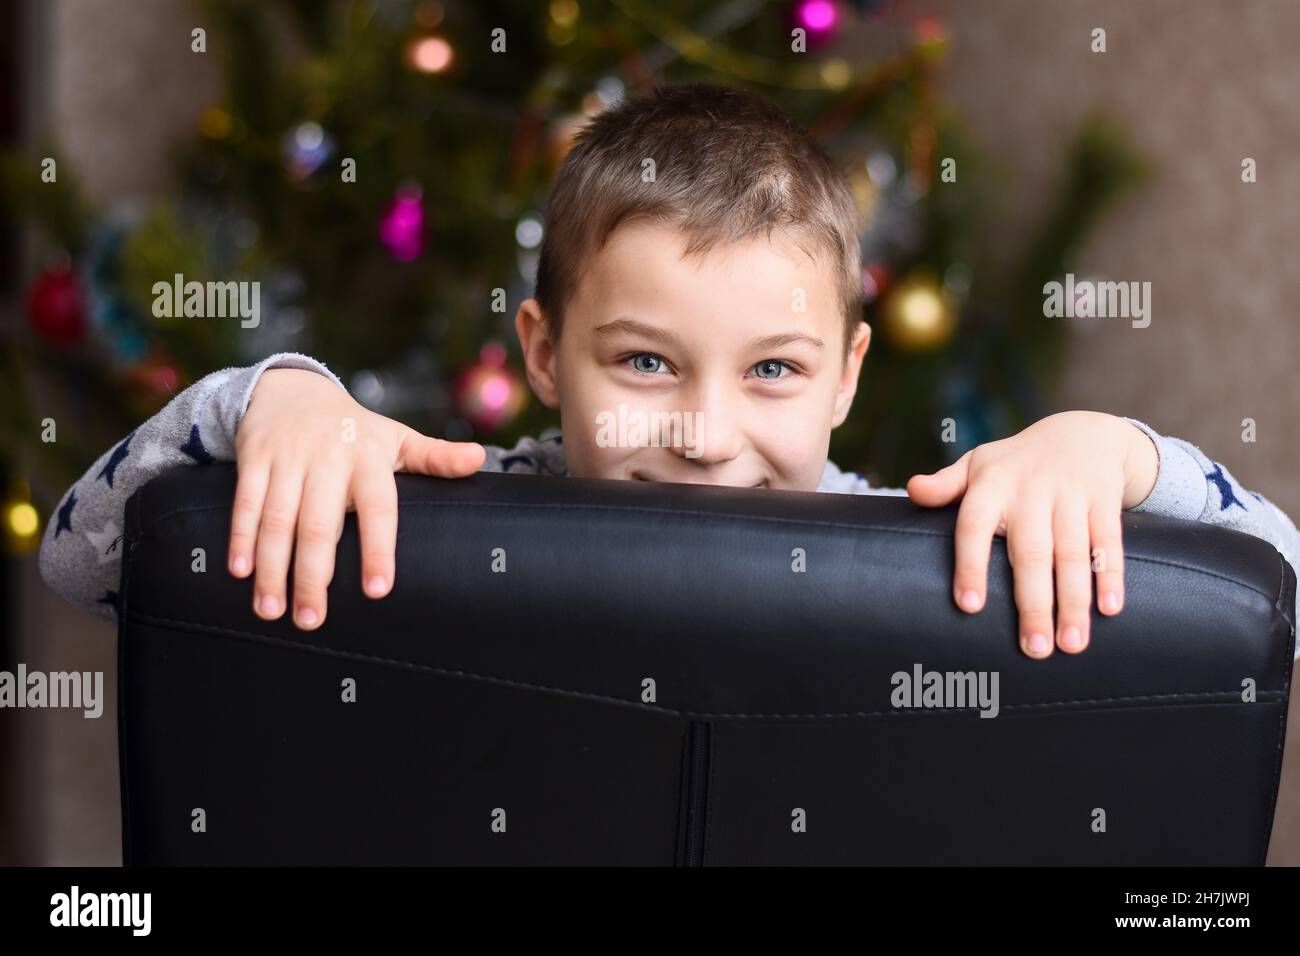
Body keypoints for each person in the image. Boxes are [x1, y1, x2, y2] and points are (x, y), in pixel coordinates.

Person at [38, 83, 1300, 661]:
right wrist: (271, 401)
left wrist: (1112, 449)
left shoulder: (923, 553)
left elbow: (1277, 593)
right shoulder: (423, 527)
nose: (703, 431)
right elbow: (79, 555)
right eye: (644, 359)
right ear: (541, 353)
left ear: (849, 378)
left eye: (772, 370)